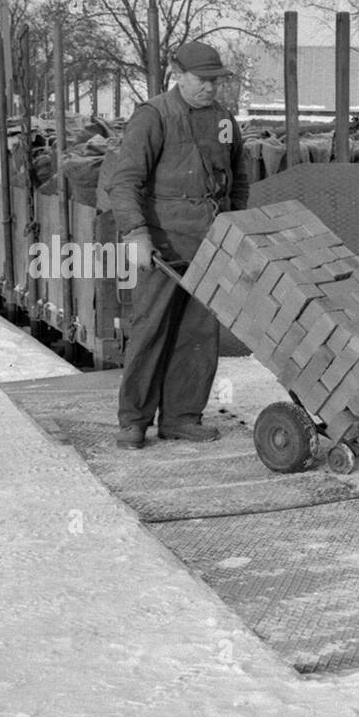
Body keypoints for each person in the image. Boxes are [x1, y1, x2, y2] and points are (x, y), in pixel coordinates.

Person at [109, 41, 249, 448]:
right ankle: (134, 420)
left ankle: (182, 417)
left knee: (199, 334)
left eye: (215, 81)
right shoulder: (153, 116)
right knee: (151, 331)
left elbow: (239, 178)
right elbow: (125, 181)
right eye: (202, 80)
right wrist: (136, 234)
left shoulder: (224, 120)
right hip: (162, 246)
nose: (210, 88)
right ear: (178, 74)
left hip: (208, 247)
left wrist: (232, 226)